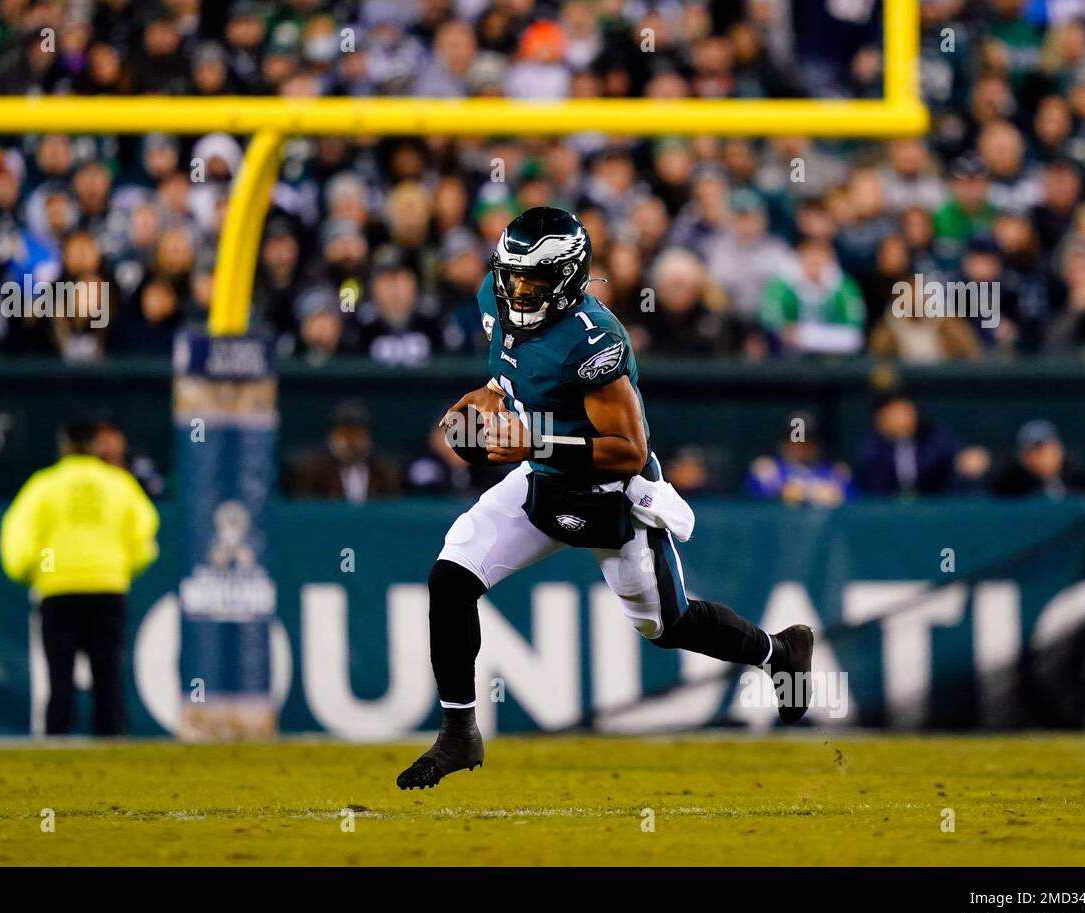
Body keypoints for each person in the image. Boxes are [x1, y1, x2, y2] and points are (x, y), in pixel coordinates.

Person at [396, 207, 814, 791]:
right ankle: (459, 732)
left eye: (533, 281)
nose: (518, 290)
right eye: (511, 276)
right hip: (541, 475)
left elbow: (626, 447)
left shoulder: (594, 340)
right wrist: (481, 404)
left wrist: (534, 438)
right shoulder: (495, 300)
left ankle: (779, 650)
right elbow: (506, 379)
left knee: (666, 625)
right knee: (452, 573)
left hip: (610, 491)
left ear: (568, 278)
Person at [0, 420, 160, 735]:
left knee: (60, 675)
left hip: (58, 590)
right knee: (107, 673)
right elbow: (145, 536)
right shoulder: (119, 484)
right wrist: (120, 567)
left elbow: (19, 540)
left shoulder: (44, 485)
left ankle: (56, 748)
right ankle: (112, 746)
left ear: (64, 447)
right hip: (107, 589)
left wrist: (31, 572)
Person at [855, 392, 990, 496]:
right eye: (895, 413)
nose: (903, 418)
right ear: (881, 419)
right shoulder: (872, 445)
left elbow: (960, 456)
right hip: (887, 511)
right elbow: (874, 482)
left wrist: (972, 457)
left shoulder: (933, 436)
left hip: (936, 506)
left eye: (906, 411)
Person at [992, 420, 1085, 498]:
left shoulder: (1078, 480)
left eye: (1051, 450)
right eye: (1037, 452)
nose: (1045, 458)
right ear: (1023, 457)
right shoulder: (1008, 486)